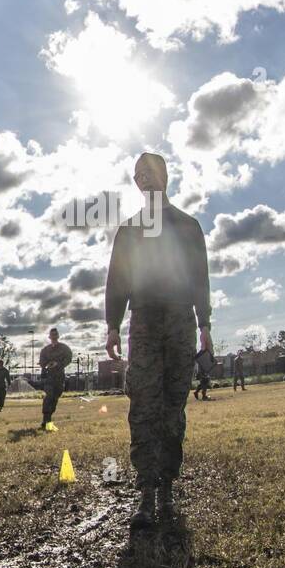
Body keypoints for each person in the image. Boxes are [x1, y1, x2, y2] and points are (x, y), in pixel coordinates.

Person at [105, 152, 212, 529]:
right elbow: (117, 280)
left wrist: (205, 323)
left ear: (164, 176)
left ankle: (166, 488)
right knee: (143, 406)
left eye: (149, 173)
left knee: (173, 405)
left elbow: (200, 276)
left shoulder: (187, 225)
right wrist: (113, 325)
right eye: (137, 176)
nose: (143, 180)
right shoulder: (130, 230)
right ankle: (146, 493)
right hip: (145, 321)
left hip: (181, 320)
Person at [38, 328, 73, 429]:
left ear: (57, 336)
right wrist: (47, 364)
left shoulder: (64, 348)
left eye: (55, 334)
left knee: (55, 398)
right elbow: (42, 362)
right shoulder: (45, 350)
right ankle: (46, 421)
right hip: (49, 377)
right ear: (49, 337)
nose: (53, 336)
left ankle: (48, 417)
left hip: (60, 376)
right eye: (52, 334)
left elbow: (69, 358)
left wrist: (58, 364)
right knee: (49, 397)